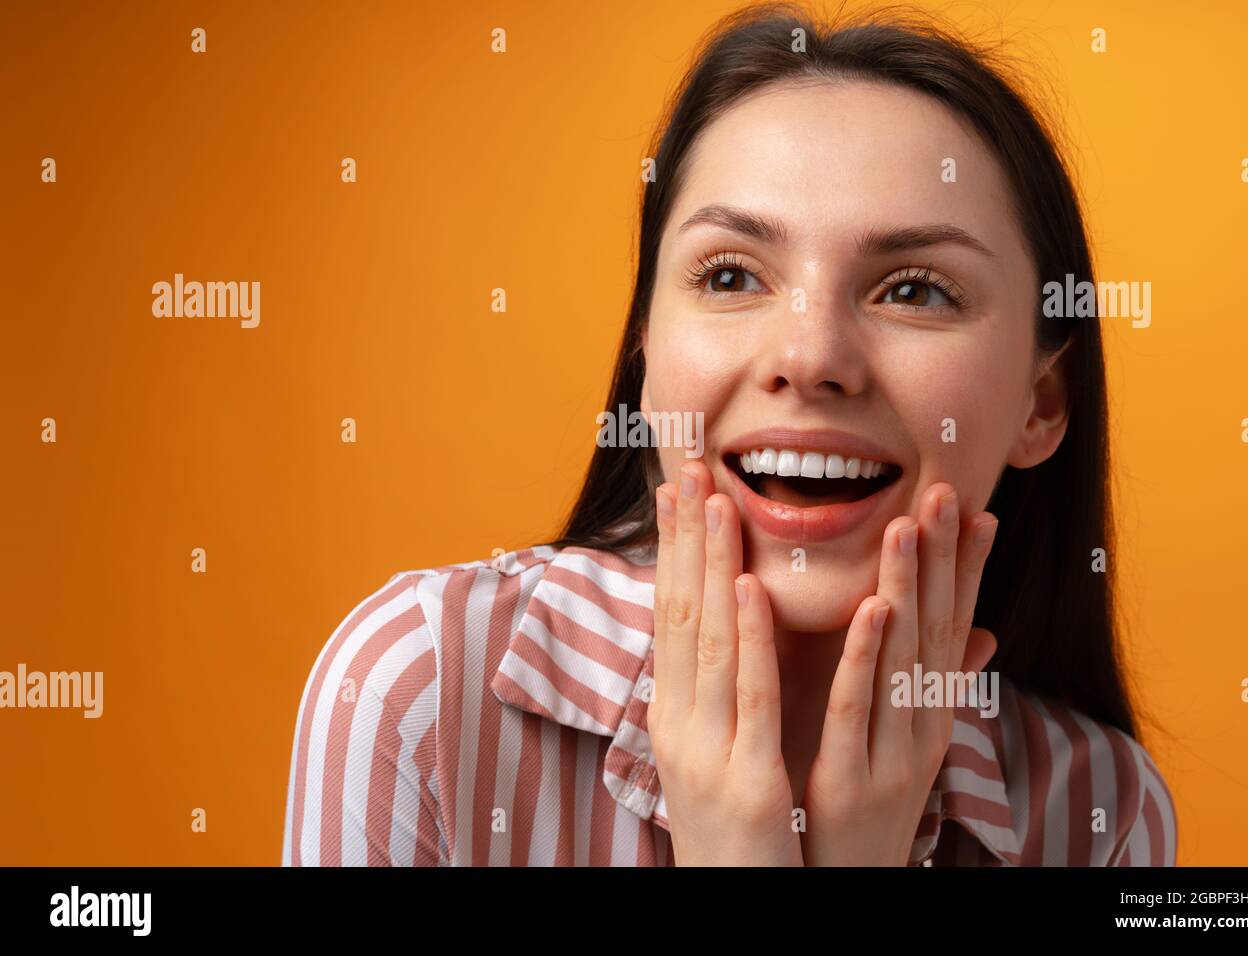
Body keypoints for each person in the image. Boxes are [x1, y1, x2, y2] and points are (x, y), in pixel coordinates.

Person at [282, 2, 1177, 866]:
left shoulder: (1102, 814)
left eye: (914, 290)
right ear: (645, 353)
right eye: (731, 275)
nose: (810, 354)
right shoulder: (423, 693)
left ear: (1042, 403)